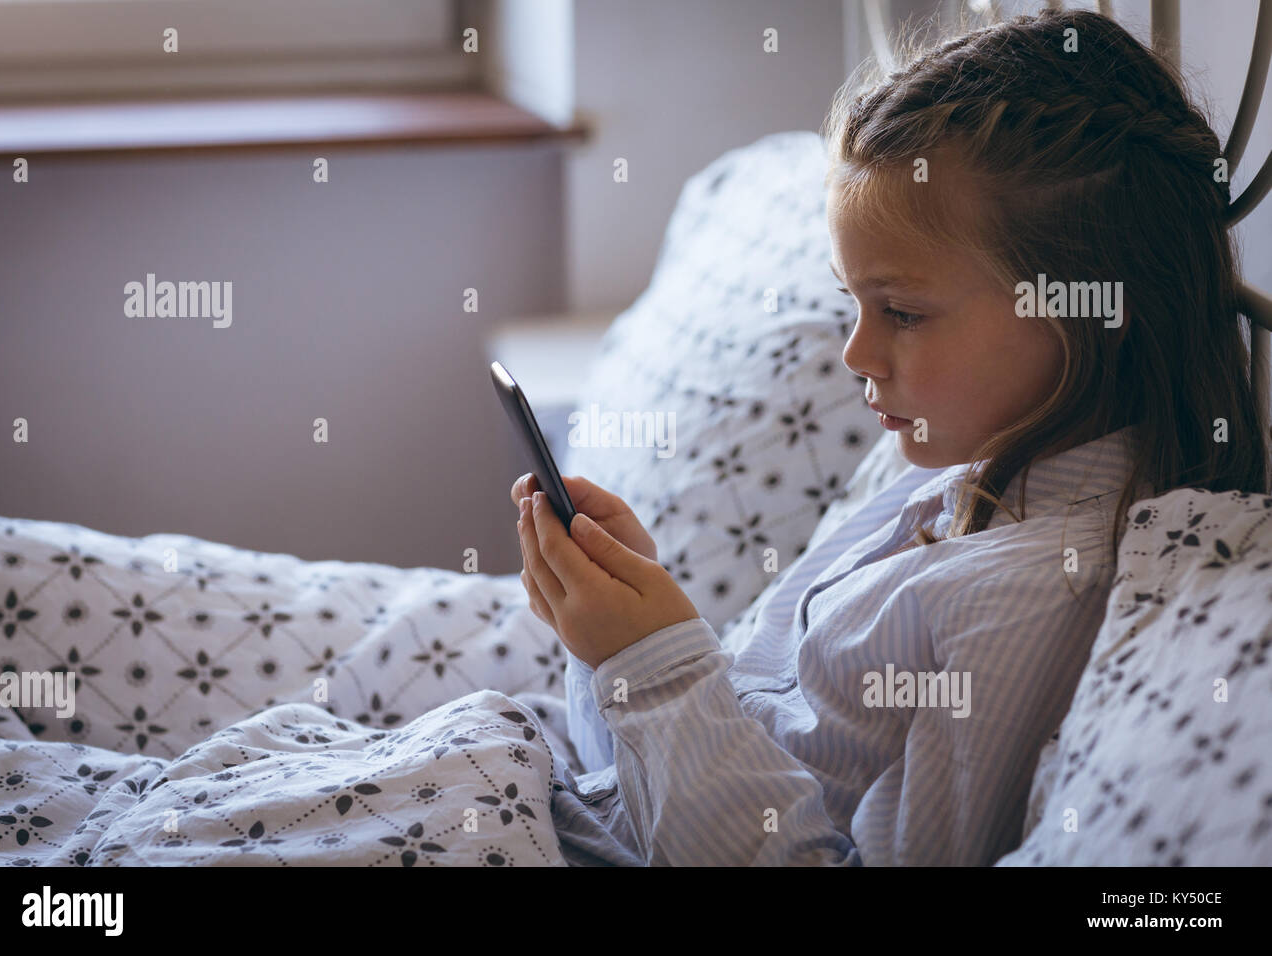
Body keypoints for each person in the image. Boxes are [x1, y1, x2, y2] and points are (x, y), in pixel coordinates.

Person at [512, 8, 1269, 865]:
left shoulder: (1022, 599)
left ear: (1092, 313)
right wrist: (619, 638)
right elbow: (693, 762)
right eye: (855, 303)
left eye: (902, 312)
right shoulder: (948, 474)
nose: (856, 353)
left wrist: (655, 667)